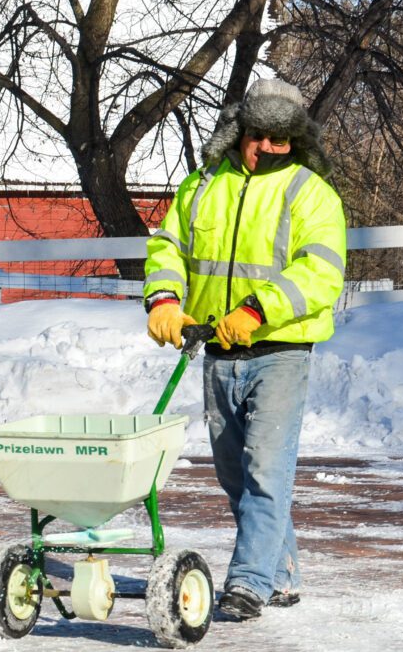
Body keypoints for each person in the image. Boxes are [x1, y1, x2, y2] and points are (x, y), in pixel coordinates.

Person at [141, 78, 347, 621]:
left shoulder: (312, 193)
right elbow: (168, 245)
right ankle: (281, 574)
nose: (271, 147)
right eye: (261, 135)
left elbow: (321, 274)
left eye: (283, 137)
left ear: (295, 138)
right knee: (236, 475)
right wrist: (164, 300)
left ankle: (249, 582)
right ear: (241, 131)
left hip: (280, 350)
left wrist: (256, 311)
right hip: (216, 348)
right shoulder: (202, 185)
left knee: (266, 469)